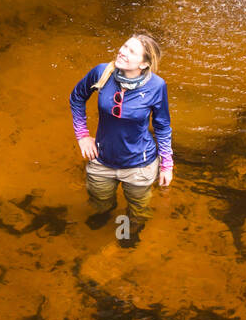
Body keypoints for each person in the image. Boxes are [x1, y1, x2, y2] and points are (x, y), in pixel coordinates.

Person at [70, 33, 174, 236]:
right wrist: (82, 135)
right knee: (99, 202)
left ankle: (126, 235)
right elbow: (77, 98)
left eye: (131, 51)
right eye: (124, 46)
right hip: (101, 160)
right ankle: (104, 220)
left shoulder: (156, 86)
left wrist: (166, 165)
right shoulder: (102, 73)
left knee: (136, 211)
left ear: (144, 64)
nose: (122, 51)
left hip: (140, 166)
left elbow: (162, 126)